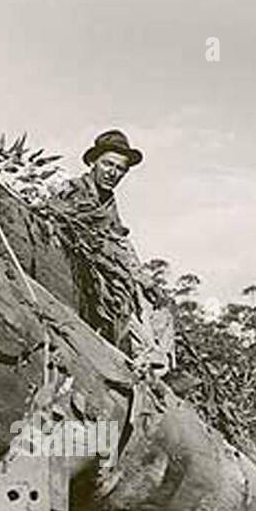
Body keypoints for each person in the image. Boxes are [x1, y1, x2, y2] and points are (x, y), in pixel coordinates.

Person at [42, 130, 172, 372]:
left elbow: (119, 239)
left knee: (160, 308)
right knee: (122, 295)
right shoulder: (74, 189)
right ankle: (145, 355)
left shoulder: (109, 202)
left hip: (109, 260)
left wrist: (142, 276)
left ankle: (160, 365)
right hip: (84, 260)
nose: (113, 173)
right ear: (94, 162)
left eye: (120, 169)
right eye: (107, 164)